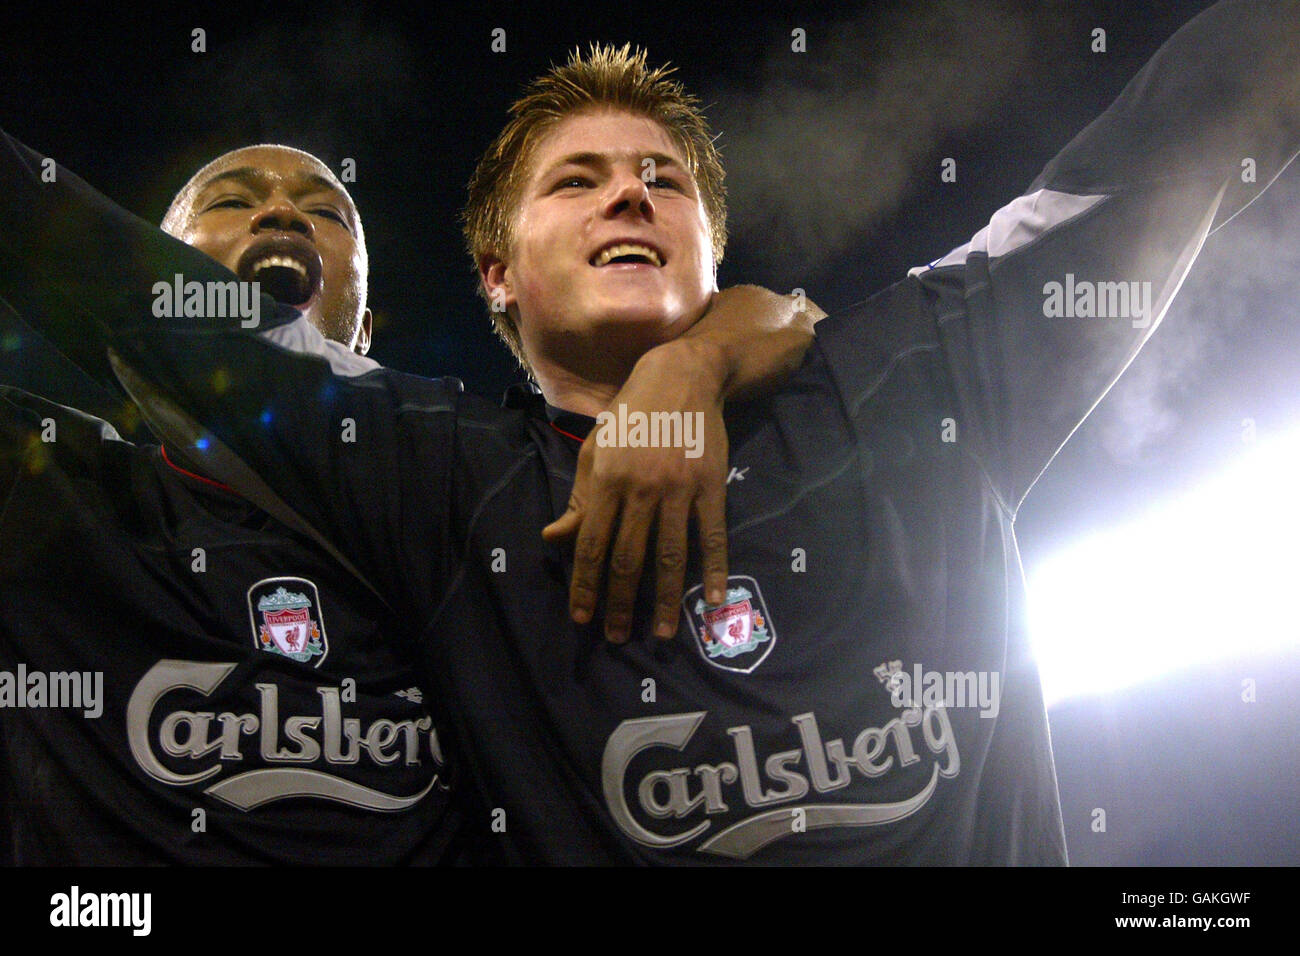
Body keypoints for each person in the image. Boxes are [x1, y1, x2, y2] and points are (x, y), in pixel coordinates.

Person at [6, 0, 1298, 863]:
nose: (631, 186)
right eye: (576, 179)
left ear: (709, 248)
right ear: (494, 275)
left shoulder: (921, 375)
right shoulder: (427, 476)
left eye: (664, 179)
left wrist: (710, 354)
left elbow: (1205, 108)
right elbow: (106, 281)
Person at [0, 137, 815, 863]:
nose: (282, 212)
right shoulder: (54, 490)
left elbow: (797, 316)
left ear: (361, 337)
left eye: (325, 210)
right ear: (158, 267)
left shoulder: (476, 485)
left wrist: (696, 361)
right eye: (233, 201)